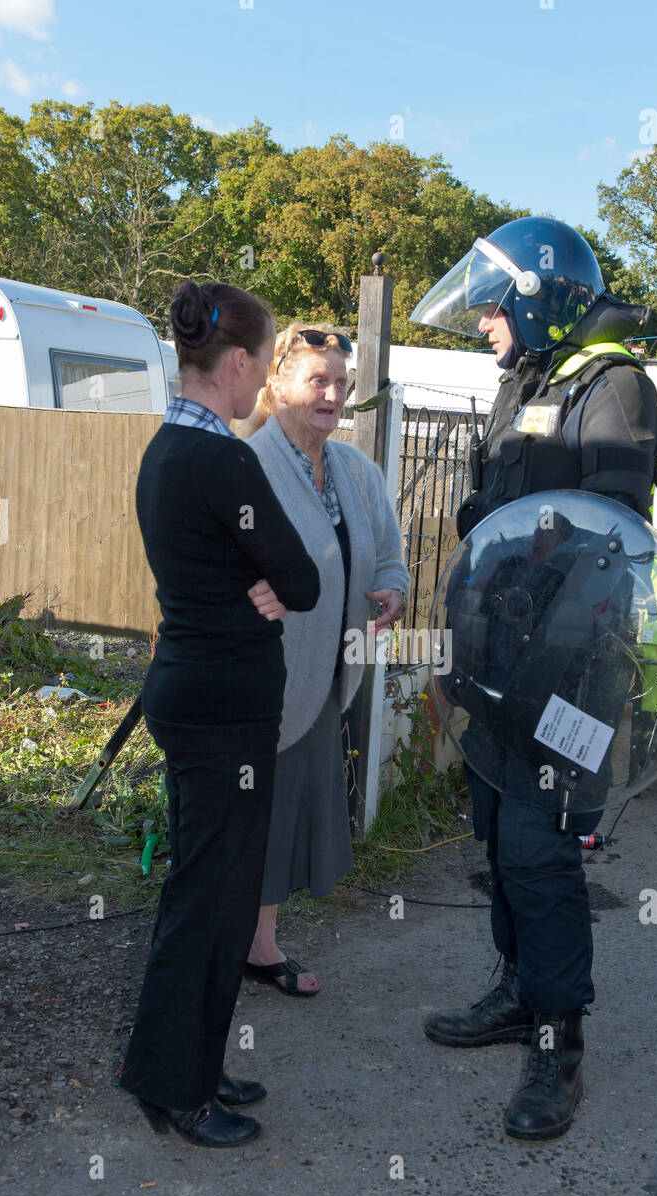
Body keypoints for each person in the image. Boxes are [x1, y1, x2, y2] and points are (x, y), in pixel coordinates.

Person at [410, 217, 657, 1140]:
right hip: (498, 662)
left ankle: (558, 1047)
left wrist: (538, 671)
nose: (482, 322)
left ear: (538, 294)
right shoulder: (530, 385)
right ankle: (519, 995)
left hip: (570, 676)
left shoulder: (614, 390)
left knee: (542, 852)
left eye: (492, 306)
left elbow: (608, 543)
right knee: (496, 835)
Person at [119, 282, 320, 1147]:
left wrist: (261, 580)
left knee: (206, 892)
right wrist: (267, 582)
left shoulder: (165, 450)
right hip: (224, 712)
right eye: (265, 364)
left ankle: (185, 1065)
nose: (262, 383)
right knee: (214, 901)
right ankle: (177, 1089)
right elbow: (304, 582)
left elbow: (273, 576)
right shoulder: (226, 461)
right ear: (236, 364)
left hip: (192, 697)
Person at [236, 325, 409, 995]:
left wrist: (392, 591)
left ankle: (261, 945)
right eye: (319, 380)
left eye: (342, 383)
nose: (333, 394)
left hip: (330, 677)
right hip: (262, 680)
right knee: (249, 818)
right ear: (278, 384)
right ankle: (223, 948)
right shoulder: (249, 465)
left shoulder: (358, 473)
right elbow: (219, 564)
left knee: (287, 815)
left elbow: (390, 556)